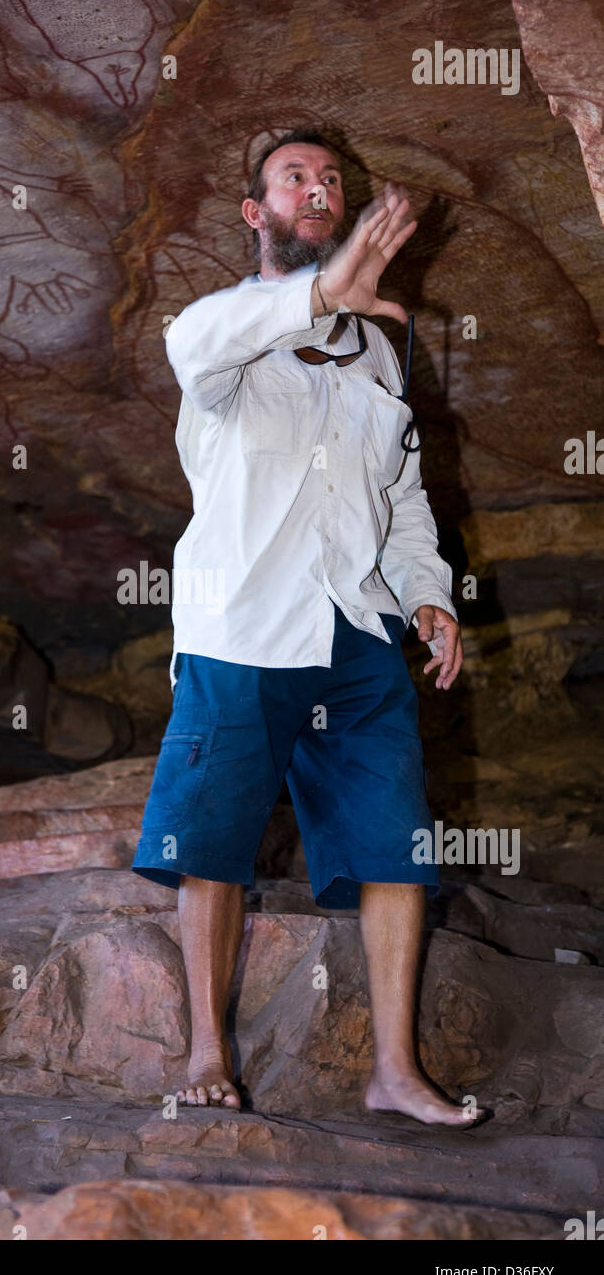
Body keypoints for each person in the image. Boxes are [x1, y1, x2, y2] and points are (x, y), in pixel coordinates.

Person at [131, 128, 473, 1127]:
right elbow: (193, 345)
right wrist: (319, 297)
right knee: (213, 842)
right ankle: (204, 1052)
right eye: (294, 178)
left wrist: (427, 594)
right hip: (241, 625)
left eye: (330, 180)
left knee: (393, 848)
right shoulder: (222, 331)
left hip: (357, 631)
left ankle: (394, 1072)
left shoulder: (380, 352)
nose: (316, 189)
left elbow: (400, 495)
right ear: (255, 211)